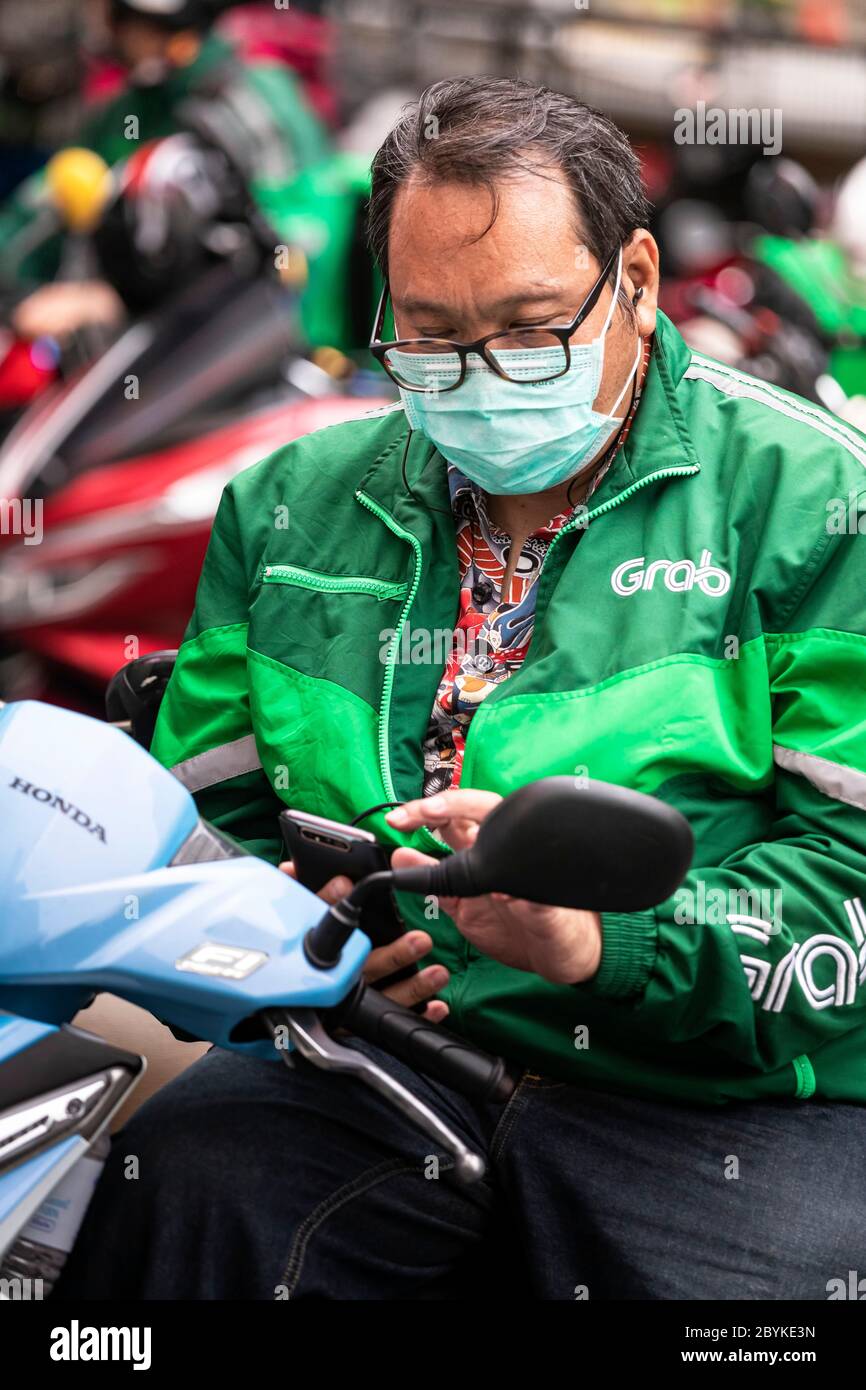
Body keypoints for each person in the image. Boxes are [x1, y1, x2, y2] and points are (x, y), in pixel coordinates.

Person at [59, 76, 866, 1301]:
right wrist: (294, 941)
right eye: (428, 335)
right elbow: (197, 816)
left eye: (531, 328)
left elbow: (849, 888)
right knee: (182, 1193)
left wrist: (607, 943)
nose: (478, 376)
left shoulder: (814, 504)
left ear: (636, 284)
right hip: (382, 1060)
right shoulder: (290, 506)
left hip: (723, 1098)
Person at [0, 0, 329, 337]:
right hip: (143, 346)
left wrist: (115, 300)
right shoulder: (127, 112)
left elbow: (298, 247)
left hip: (249, 348)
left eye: (113, 17)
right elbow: (36, 214)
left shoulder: (253, 100)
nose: (102, 33)